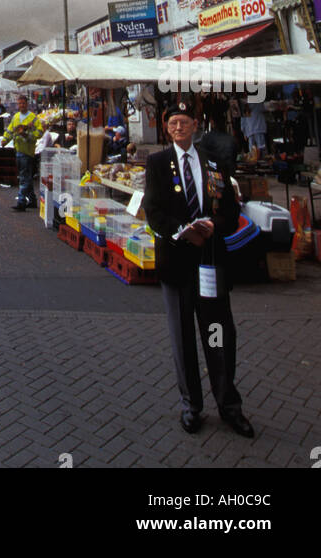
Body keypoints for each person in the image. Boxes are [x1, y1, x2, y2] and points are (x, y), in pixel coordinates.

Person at [143, 95, 253, 439]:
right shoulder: (158, 163)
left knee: (218, 335)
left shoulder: (215, 163)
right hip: (177, 264)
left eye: (185, 123)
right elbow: (154, 212)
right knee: (183, 338)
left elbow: (232, 211)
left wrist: (212, 228)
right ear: (166, 127)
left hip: (210, 263)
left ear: (195, 126)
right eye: (173, 123)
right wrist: (182, 232)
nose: (179, 127)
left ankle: (228, 405)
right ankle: (192, 405)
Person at [1, 93, 43, 211]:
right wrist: (5, 140)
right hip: (18, 149)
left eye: (23, 103)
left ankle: (21, 201)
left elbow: (39, 133)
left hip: (27, 151)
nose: (21, 105)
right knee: (26, 176)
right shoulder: (16, 117)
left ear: (27, 104)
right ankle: (33, 200)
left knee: (24, 177)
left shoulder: (33, 118)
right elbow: (10, 130)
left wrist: (27, 134)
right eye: (19, 103)